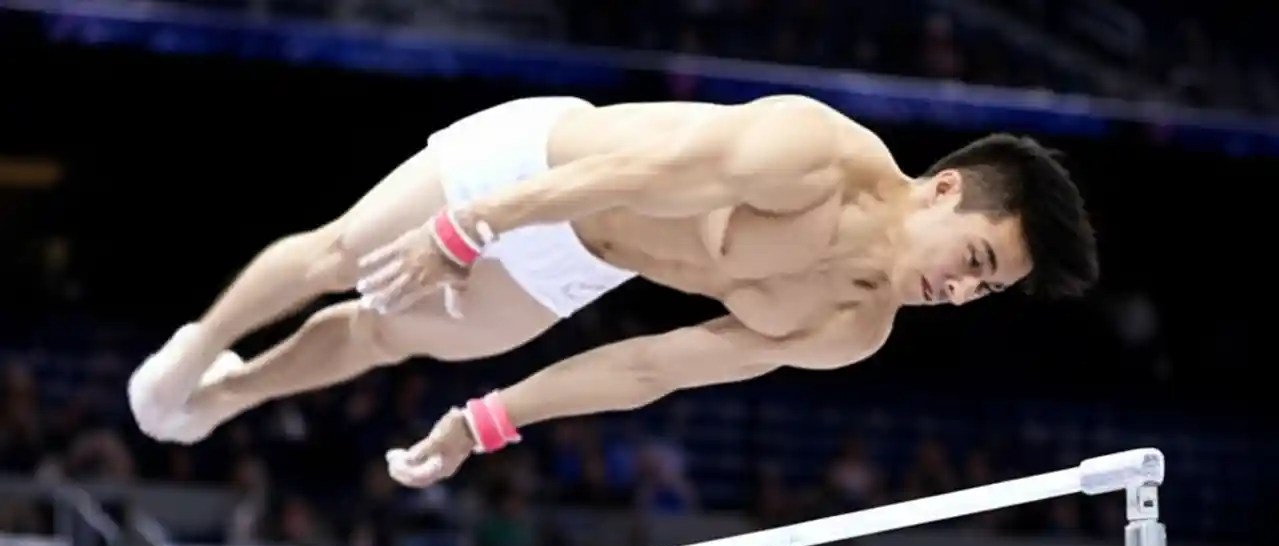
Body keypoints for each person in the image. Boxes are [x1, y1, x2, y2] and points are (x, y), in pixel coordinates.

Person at [127, 95, 1097, 486]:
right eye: (974, 260)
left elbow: (648, 368)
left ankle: (227, 395)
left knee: (398, 336)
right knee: (351, 254)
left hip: (582, 262)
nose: (960, 292)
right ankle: (193, 349)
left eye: (985, 292)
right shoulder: (810, 153)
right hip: (543, 165)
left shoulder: (848, 329)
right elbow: (634, 174)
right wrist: (466, 225)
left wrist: (486, 423)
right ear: (941, 189)